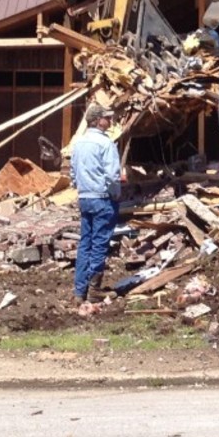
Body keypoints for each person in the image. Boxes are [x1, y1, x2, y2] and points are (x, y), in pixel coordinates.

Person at [70, 103, 122, 303]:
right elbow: (112, 174)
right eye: (107, 118)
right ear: (97, 120)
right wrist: (116, 193)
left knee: (85, 244)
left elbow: (73, 174)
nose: (110, 121)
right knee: (100, 243)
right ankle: (94, 289)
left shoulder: (79, 143)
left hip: (85, 198)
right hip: (102, 198)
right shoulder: (106, 144)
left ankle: (79, 291)